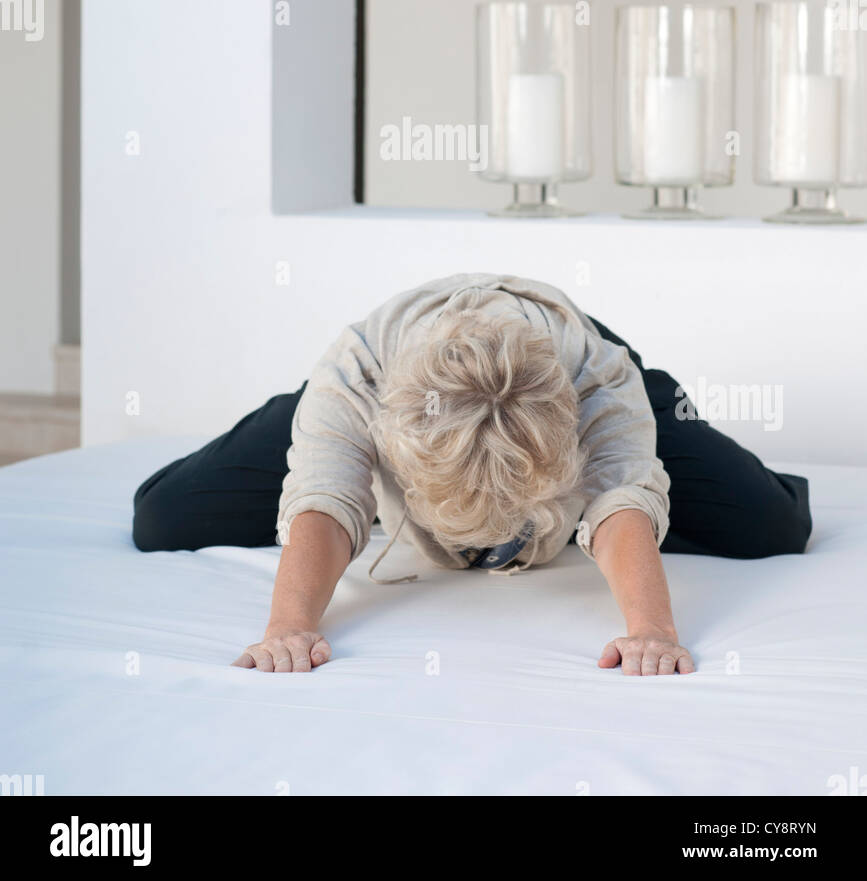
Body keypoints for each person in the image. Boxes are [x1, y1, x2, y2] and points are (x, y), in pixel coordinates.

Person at [132, 273, 811, 678]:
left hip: (572, 373)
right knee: (163, 519)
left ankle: (645, 418)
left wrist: (652, 631)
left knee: (773, 526)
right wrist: (287, 626)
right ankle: (315, 421)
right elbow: (326, 497)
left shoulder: (596, 376)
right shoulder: (360, 372)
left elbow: (617, 493)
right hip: (390, 386)